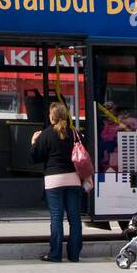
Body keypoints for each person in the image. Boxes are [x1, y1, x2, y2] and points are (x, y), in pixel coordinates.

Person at [31, 102, 83, 263]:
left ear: (52, 116)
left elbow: (35, 157)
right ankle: (74, 255)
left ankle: (55, 254)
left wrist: (34, 142)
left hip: (53, 180)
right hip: (73, 179)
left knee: (56, 217)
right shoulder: (74, 133)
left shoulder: (46, 134)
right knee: (75, 218)